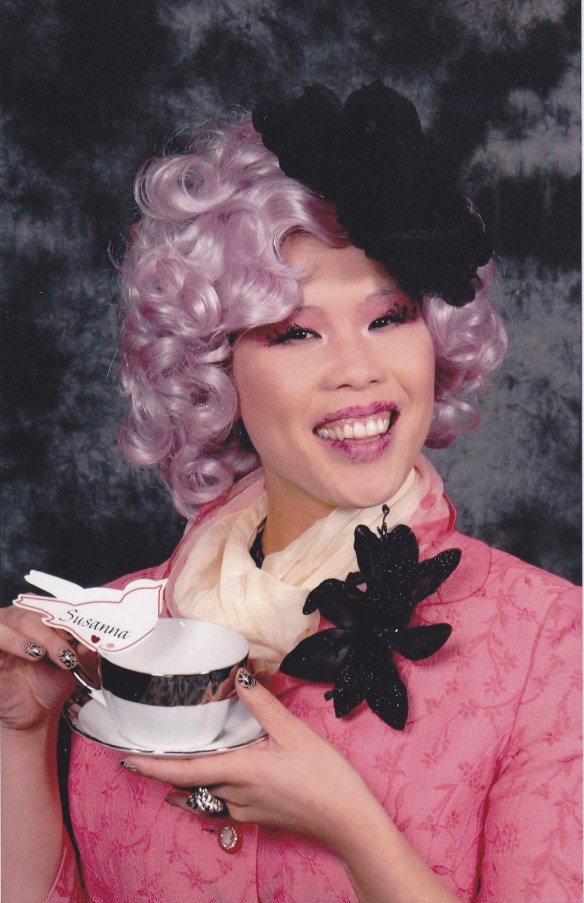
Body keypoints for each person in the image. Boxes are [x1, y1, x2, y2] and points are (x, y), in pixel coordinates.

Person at [1, 82, 580, 903]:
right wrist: (19, 732)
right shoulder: (119, 632)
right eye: (296, 332)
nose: (357, 370)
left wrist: (349, 822)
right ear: (214, 368)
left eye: (389, 317)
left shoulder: (550, 643)